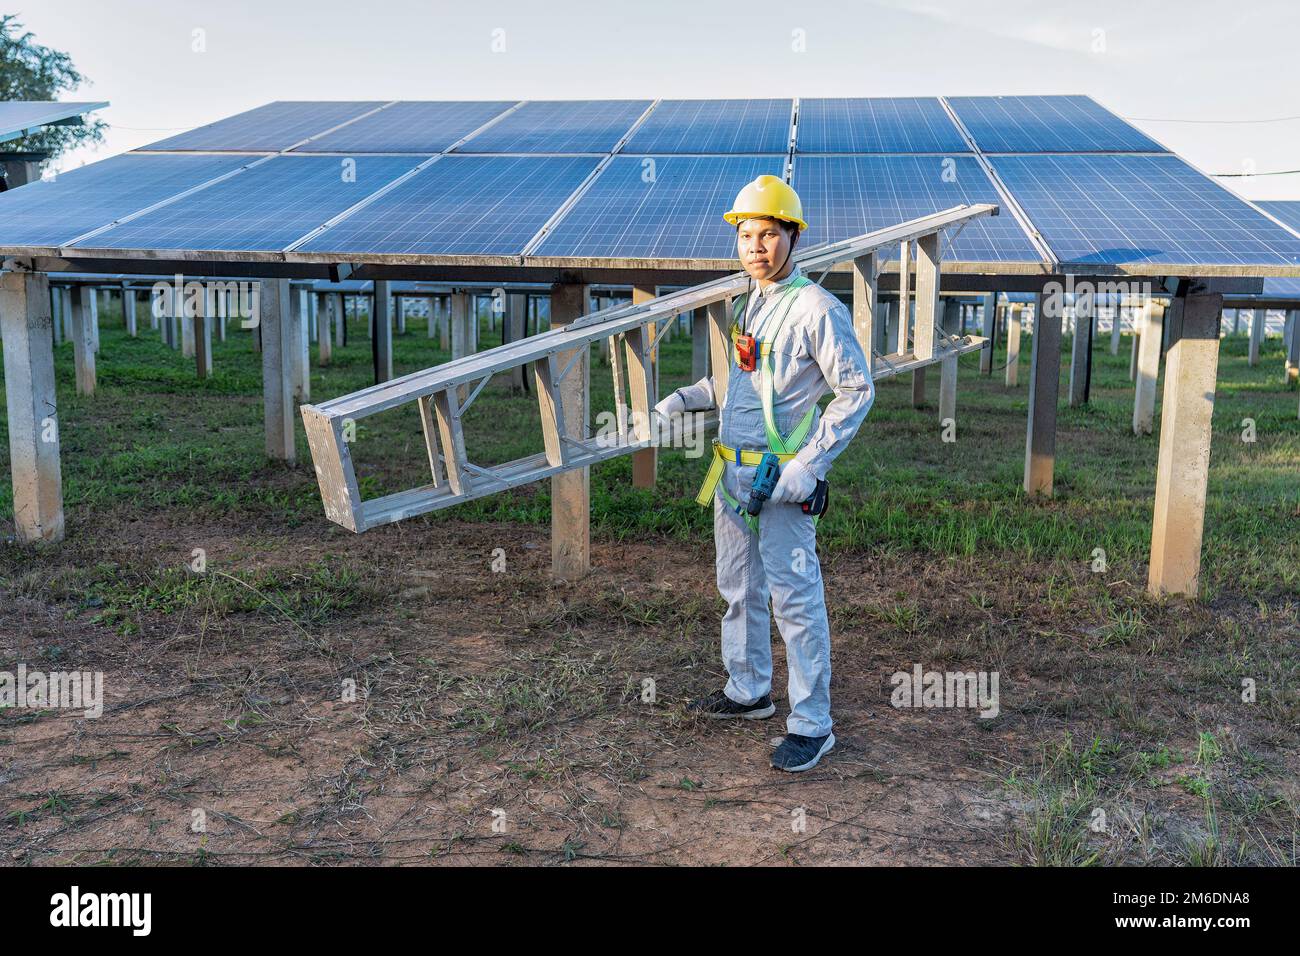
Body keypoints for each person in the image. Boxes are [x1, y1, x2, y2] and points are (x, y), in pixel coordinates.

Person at [654, 174, 875, 772]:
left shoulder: (815, 308)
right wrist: (688, 397)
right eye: (747, 234)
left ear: (792, 236)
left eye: (769, 234)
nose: (756, 246)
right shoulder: (750, 302)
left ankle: (813, 723)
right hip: (730, 476)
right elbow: (743, 385)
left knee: (796, 601)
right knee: (739, 589)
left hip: (780, 481)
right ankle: (748, 690)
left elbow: (855, 390)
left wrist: (809, 466)